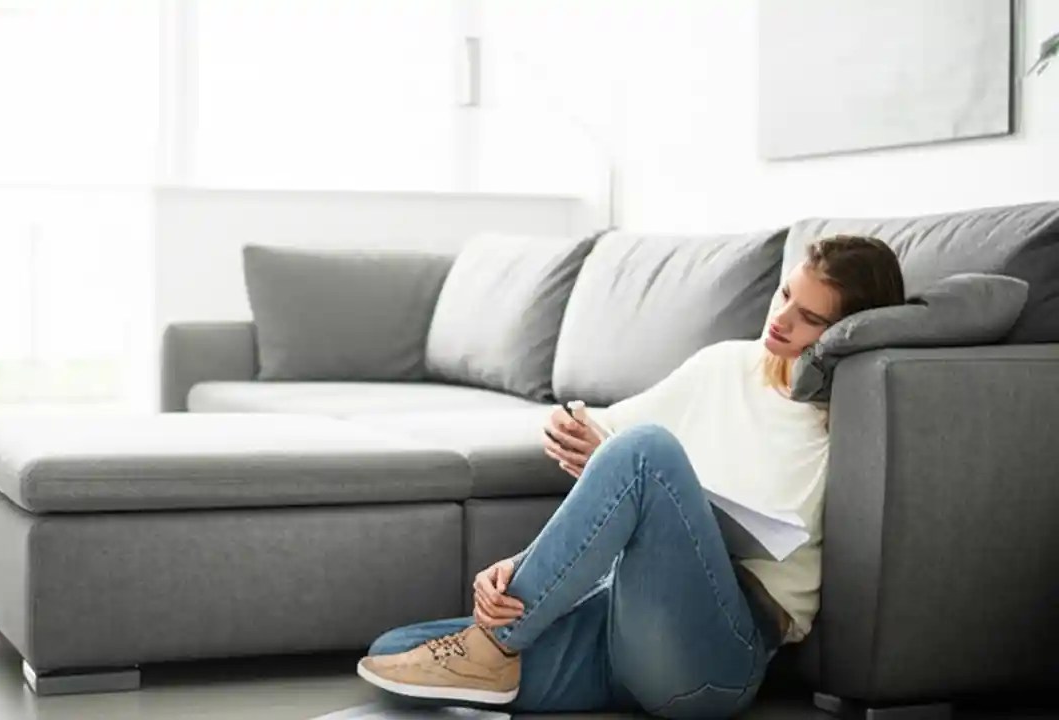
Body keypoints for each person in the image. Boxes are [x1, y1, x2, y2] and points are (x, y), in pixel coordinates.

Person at [356, 235, 906, 718]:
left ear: (847, 333)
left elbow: (641, 459)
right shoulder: (726, 365)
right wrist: (523, 566)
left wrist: (619, 463)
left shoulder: (849, 423)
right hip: (619, 627)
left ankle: (497, 641)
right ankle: (501, 643)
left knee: (647, 452)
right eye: (784, 295)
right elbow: (609, 437)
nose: (781, 319)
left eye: (811, 318)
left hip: (716, 655)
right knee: (396, 652)